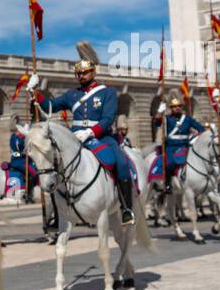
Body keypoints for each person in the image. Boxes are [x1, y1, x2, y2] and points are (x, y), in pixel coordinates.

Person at [26, 55, 137, 225]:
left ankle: (126, 208)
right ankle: (58, 212)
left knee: (120, 163)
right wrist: (36, 92)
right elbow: (51, 105)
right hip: (75, 137)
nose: (81, 76)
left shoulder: (107, 92)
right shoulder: (72, 94)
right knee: (55, 165)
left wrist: (92, 132)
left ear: (93, 72)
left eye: (84, 72)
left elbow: (108, 118)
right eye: (78, 73)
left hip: (103, 137)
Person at [153, 95, 204, 193]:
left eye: (179, 106)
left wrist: (200, 135)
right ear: (171, 108)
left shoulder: (187, 119)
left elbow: (200, 128)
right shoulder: (166, 119)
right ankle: (167, 185)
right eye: (174, 106)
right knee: (169, 164)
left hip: (185, 146)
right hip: (171, 147)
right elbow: (157, 123)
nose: (177, 108)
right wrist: (160, 110)